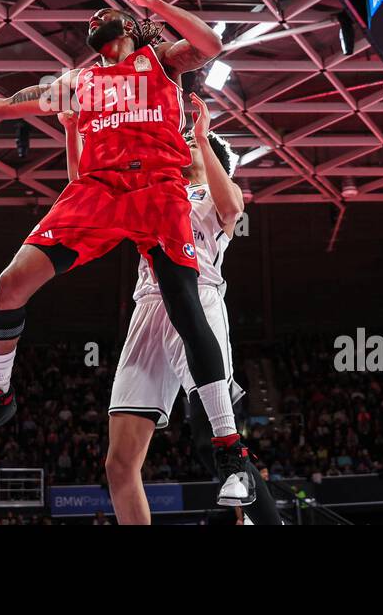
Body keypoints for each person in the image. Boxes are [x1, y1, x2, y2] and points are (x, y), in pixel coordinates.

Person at [0, 0, 254, 506]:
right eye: (92, 15)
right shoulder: (77, 84)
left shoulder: (165, 63)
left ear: (133, 27)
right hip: (97, 192)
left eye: (109, 13)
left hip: (158, 189)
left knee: (186, 308)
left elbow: (210, 42)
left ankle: (230, 452)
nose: (97, 15)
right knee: (11, 284)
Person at [57, 94, 280, 523]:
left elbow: (233, 206)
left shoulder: (217, 194)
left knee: (205, 438)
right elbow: (85, 191)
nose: (183, 145)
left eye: (192, 143)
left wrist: (202, 136)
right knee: (119, 463)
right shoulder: (157, 191)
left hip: (198, 304)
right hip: (148, 310)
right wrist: (73, 133)